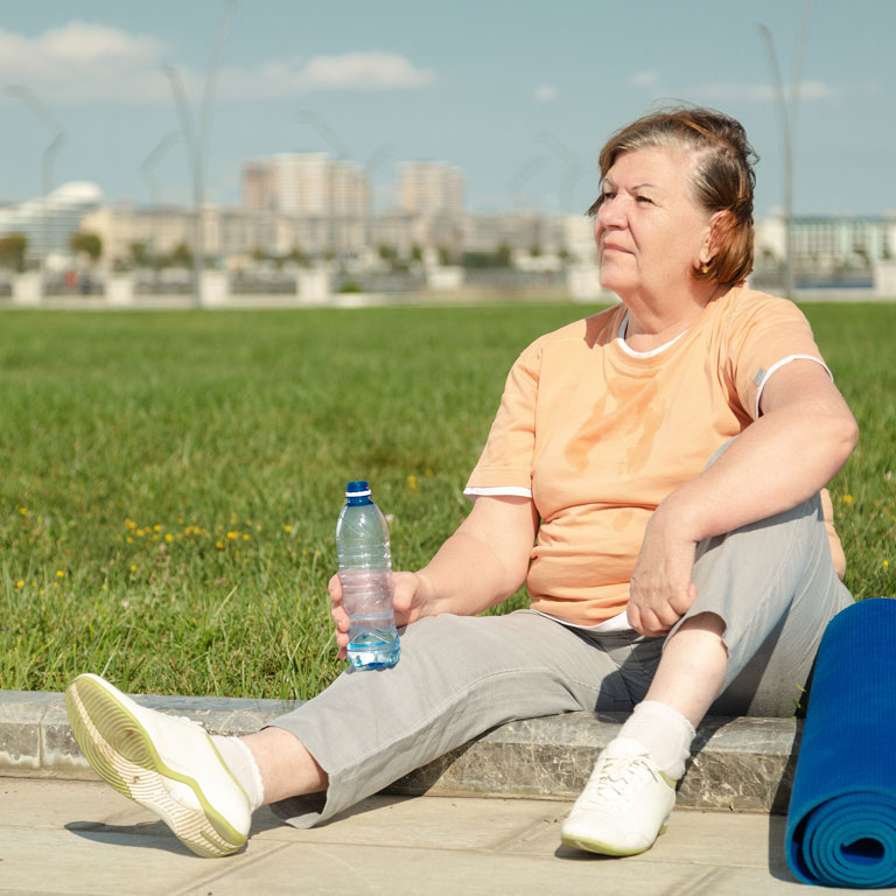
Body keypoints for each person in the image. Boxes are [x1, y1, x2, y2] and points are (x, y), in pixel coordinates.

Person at [65, 106, 857, 860]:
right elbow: (499, 541)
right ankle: (235, 774)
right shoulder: (550, 359)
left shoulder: (753, 323)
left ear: (714, 233)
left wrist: (678, 519)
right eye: (605, 196)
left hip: (746, 640)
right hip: (583, 640)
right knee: (441, 645)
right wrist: (426, 594)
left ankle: (648, 756)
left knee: (767, 484)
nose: (611, 216)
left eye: (642, 199)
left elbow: (822, 423)